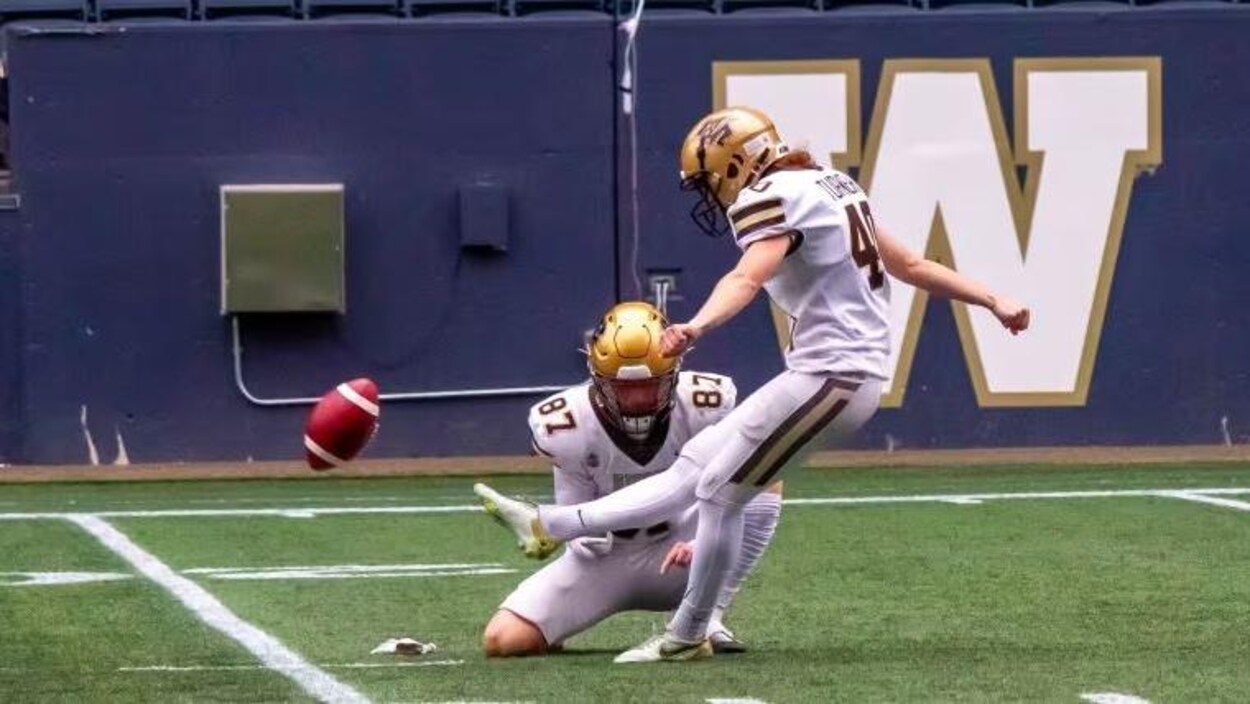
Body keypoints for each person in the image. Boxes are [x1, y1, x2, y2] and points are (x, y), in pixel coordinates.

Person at [475, 106, 1030, 663]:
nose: (712, 193)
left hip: (837, 375)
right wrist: (992, 298)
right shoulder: (831, 185)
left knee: (720, 494)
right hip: (822, 372)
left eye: (710, 178)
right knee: (692, 469)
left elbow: (747, 276)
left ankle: (688, 633)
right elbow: (910, 264)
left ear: (738, 162)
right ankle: (546, 523)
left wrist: (695, 326)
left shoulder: (771, 196)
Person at [480, 301, 783, 657]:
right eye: (623, 388)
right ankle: (549, 543)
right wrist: (579, 541)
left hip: (687, 550)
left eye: (651, 386)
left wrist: (703, 541)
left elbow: (731, 487)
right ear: (597, 377)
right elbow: (583, 537)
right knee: (504, 640)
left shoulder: (703, 404)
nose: (638, 399)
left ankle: (708, 615)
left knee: (762, 470)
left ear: (674, 372)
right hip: (606, 559)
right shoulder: (568, 425)